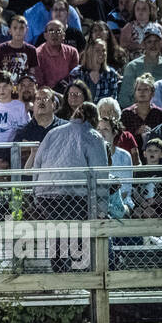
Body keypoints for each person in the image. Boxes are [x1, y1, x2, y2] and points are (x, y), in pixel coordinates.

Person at [29, 102, 108, 270]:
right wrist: (102, 208)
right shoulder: (93, 136)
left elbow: (37, 163)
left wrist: (35, 192)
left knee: (56, 234)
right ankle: (78, 274)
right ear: (95, 118)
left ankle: (59, 275)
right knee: (78, 234)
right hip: (75, 194)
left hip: (46, 193)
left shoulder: (53, 132)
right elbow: (100, 174)